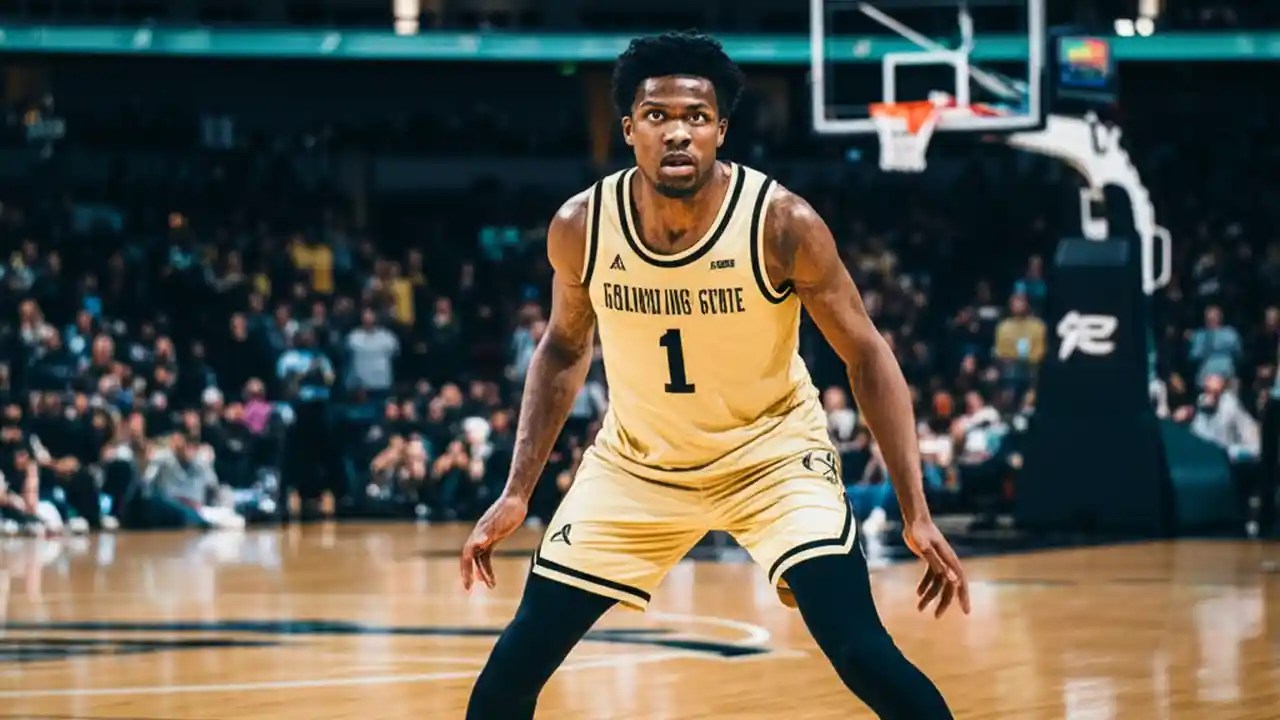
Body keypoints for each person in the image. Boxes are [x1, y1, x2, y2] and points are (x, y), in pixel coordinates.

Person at [460, 31, 968, 719]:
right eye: (659, 115)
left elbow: (868, 354)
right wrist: (517, 491)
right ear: (629, 128)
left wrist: (916, 512)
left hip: (773, 459)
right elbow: (561, 347)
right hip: (637, 464)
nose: (678, 133)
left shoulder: (781, 224)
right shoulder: (582, 226)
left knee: (861, 654)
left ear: (721, 130)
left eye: (697, 117)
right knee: (507, 678)